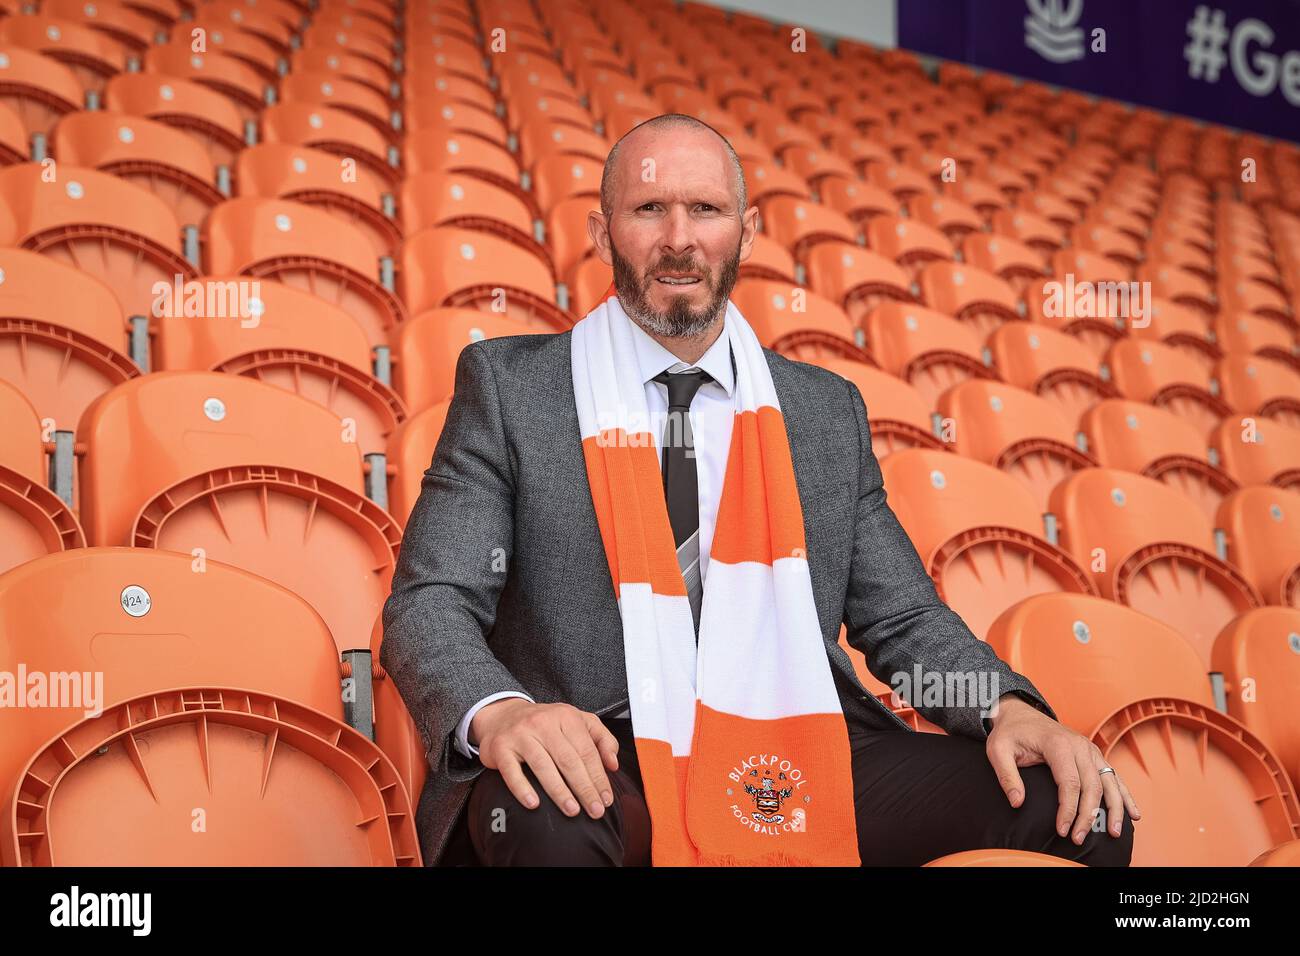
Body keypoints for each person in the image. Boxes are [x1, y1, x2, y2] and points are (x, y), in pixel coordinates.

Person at [381, 113, 1138, 866]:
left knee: (1073, 808)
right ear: (602, 230)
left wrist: (1004, 707)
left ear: (744, 233)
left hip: (804, 741)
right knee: (544, 813)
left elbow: (902, 618)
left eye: (704, 209)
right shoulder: (514, 389)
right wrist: (505, 712)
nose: (679, 238)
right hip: (611, 748)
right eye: (649, 208)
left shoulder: (821, 410)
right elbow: (430, 601)